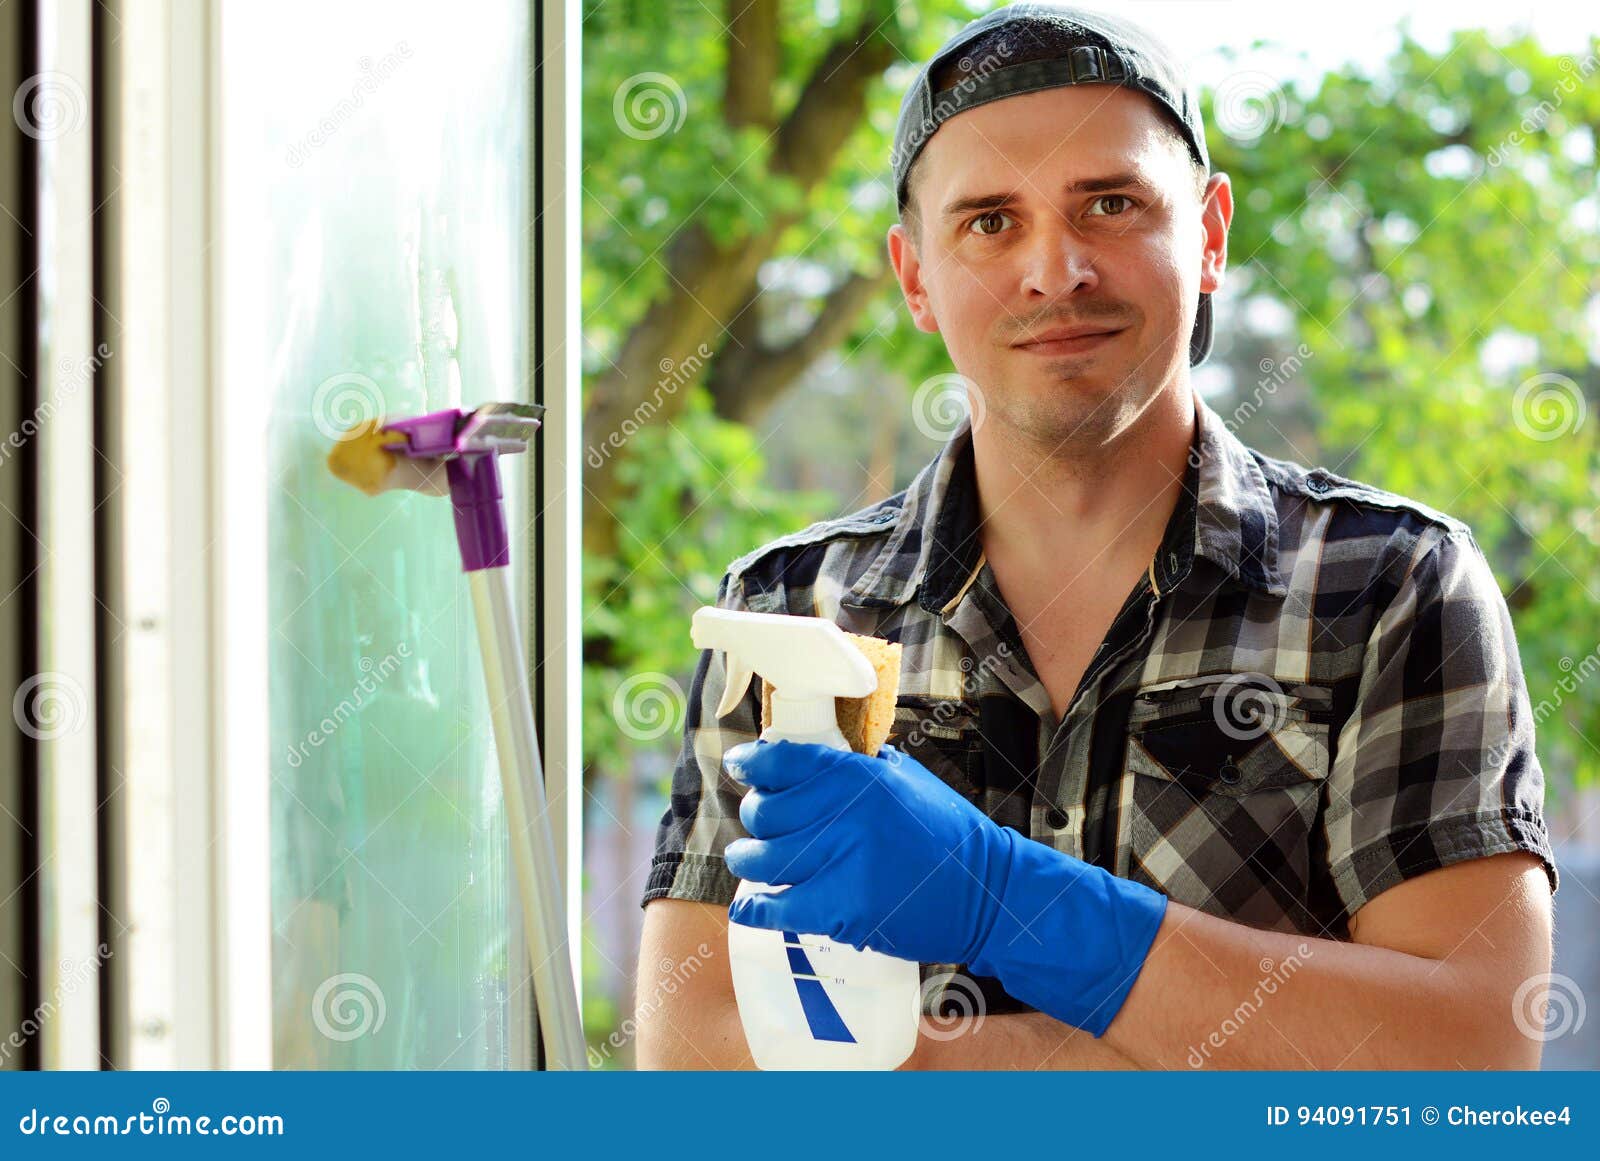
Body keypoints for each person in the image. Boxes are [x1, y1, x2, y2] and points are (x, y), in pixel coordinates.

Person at [636, 4, 1558, 1070]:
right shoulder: (787, 611)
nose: (1055, 270)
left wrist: (1002, 900)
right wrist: (1177, 1052)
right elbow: (695, 1056)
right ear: (915, 277)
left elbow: (1469, 1058)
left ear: (1209, 234)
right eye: (990, 221)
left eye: (1111, 204)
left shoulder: (1395, 586)